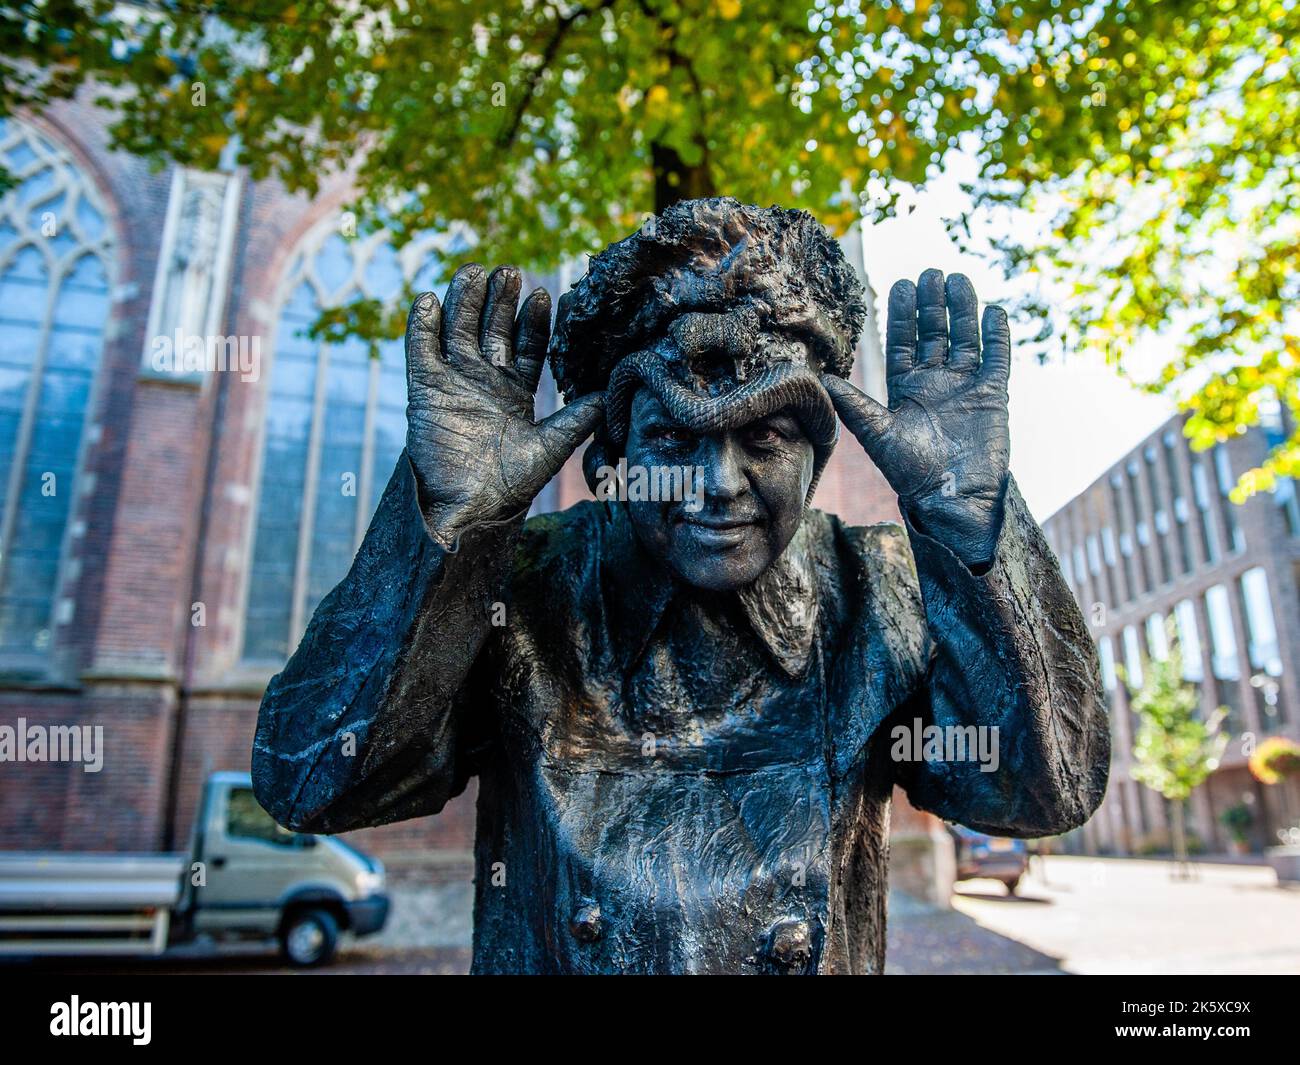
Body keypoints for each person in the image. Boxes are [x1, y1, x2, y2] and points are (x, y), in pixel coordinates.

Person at [253, 197, 1109, 974]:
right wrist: (452, 530)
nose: (720, 483)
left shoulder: (876, 589)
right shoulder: (520, 587)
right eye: (672, 437)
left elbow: (1048, 787)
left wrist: (965, 519)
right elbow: (312, 780)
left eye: (765, 434)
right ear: (612, 455)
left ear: (817, 456)